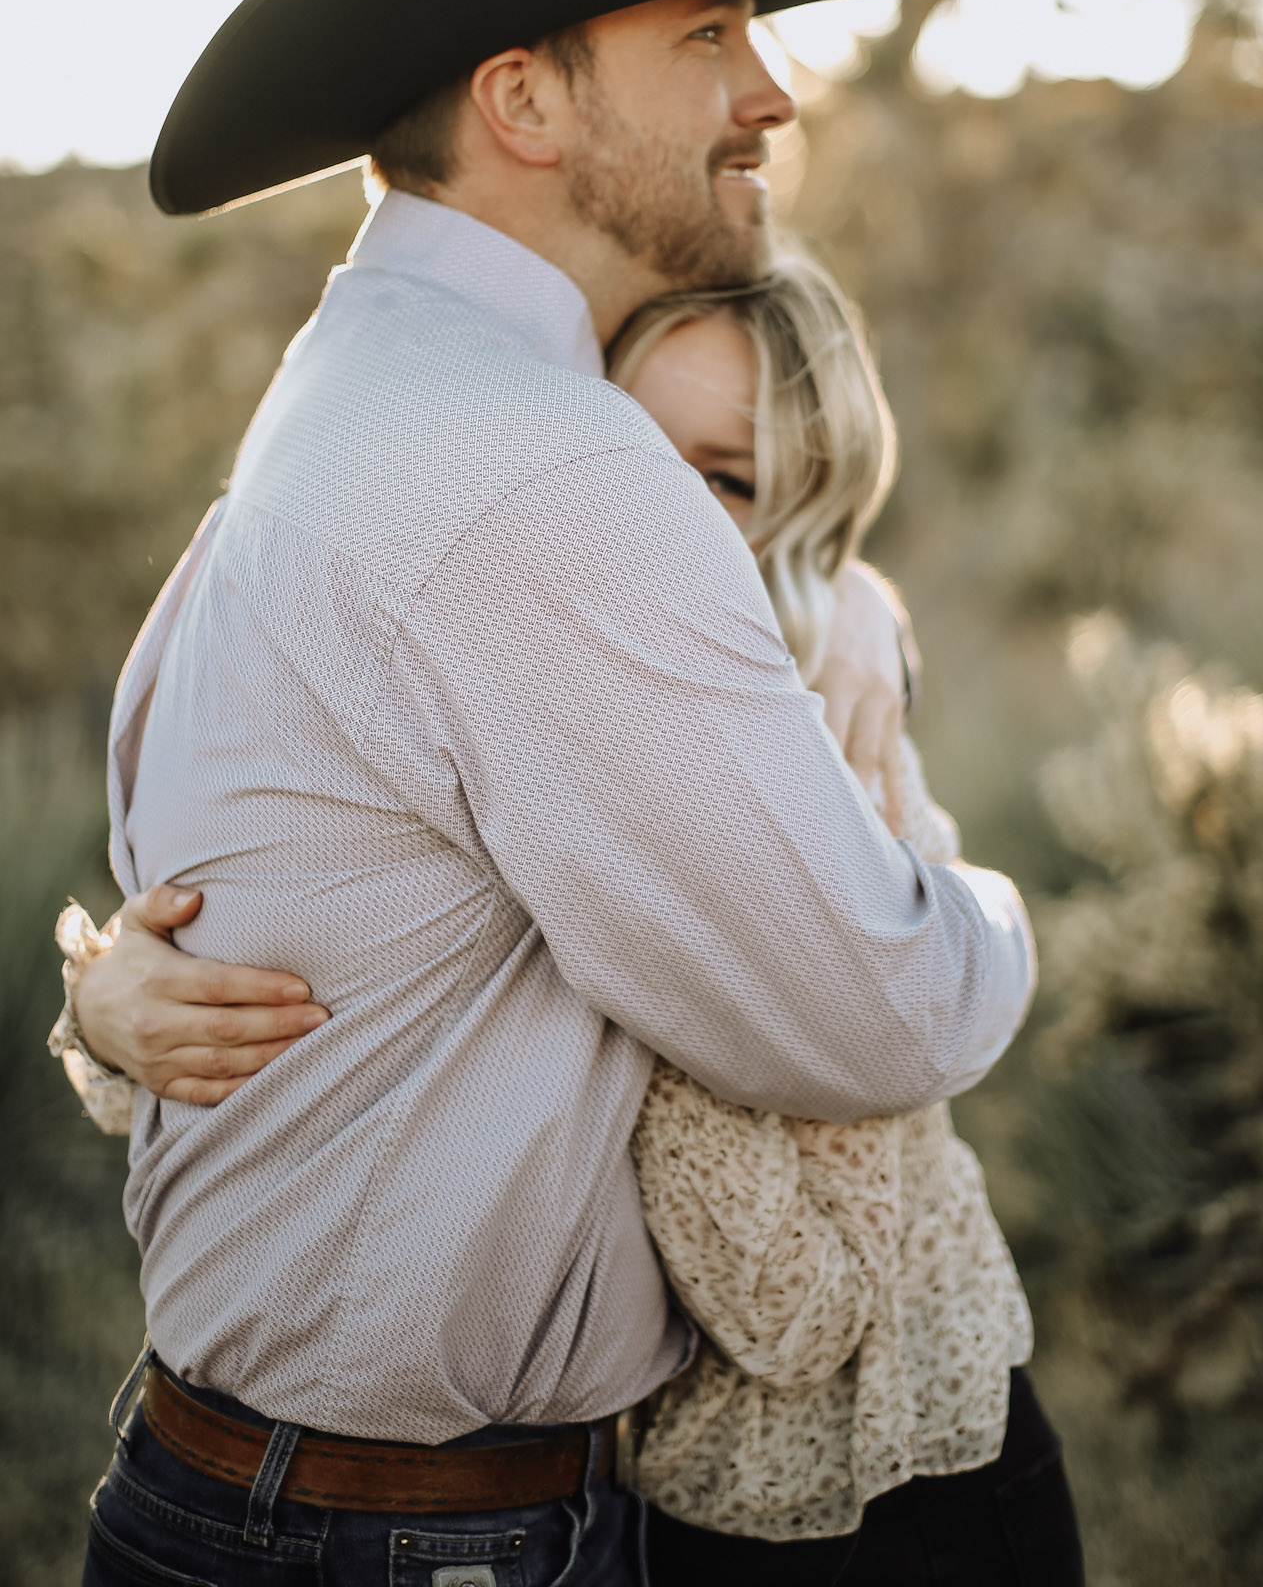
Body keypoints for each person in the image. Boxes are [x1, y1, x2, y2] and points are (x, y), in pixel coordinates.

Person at [55, 0, 1041, 1586]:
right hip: (403, 1545)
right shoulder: (534, 467)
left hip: (284, 1501)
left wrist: (99, 1000)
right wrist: (981, 907)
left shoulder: (346, 393)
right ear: (523, 97)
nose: (773, 94)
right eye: (711, 34)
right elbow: (860, 1015)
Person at [79, 255, 1083, 1583]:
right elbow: (305, 1060)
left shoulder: (804, 752)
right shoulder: (533, 679)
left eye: (725, 482)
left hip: (885, 1501)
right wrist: (105, 1004)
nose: (660, 519)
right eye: (635, 455)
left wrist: (666, 1002)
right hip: (605, 1503)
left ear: (806, 523)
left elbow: (795, 1310)